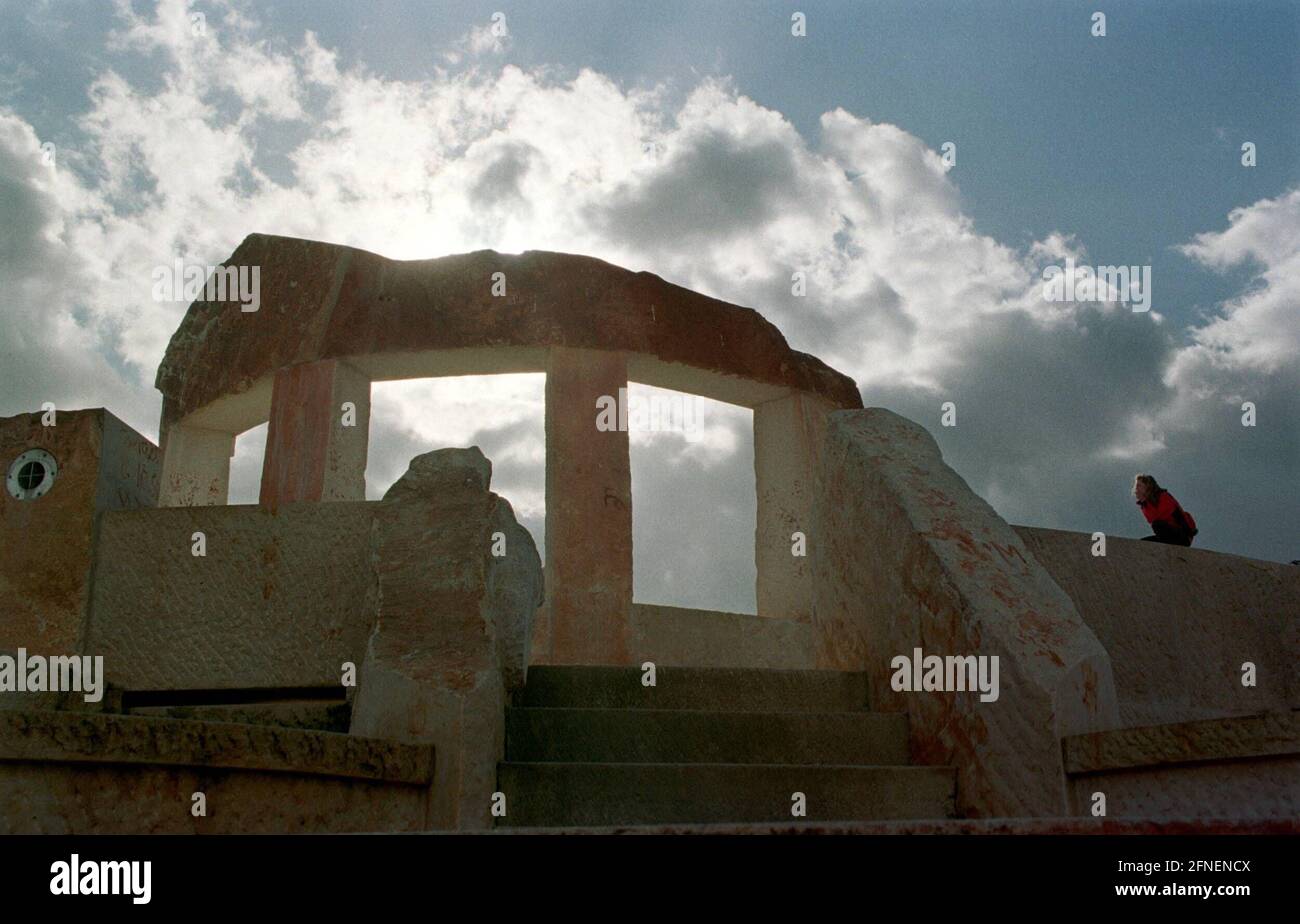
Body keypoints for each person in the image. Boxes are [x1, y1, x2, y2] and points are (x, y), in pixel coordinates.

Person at [1133, 473, 1196, 546]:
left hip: (1182, 536)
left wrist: (1188, 534)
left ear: (1147, 487)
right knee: (1142, 543)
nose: (1135, 488)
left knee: (1157, 524)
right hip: (1168, 536)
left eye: (1139, 485)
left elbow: (1178, 516)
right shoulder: (1145, 505)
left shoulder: (1163, 497)